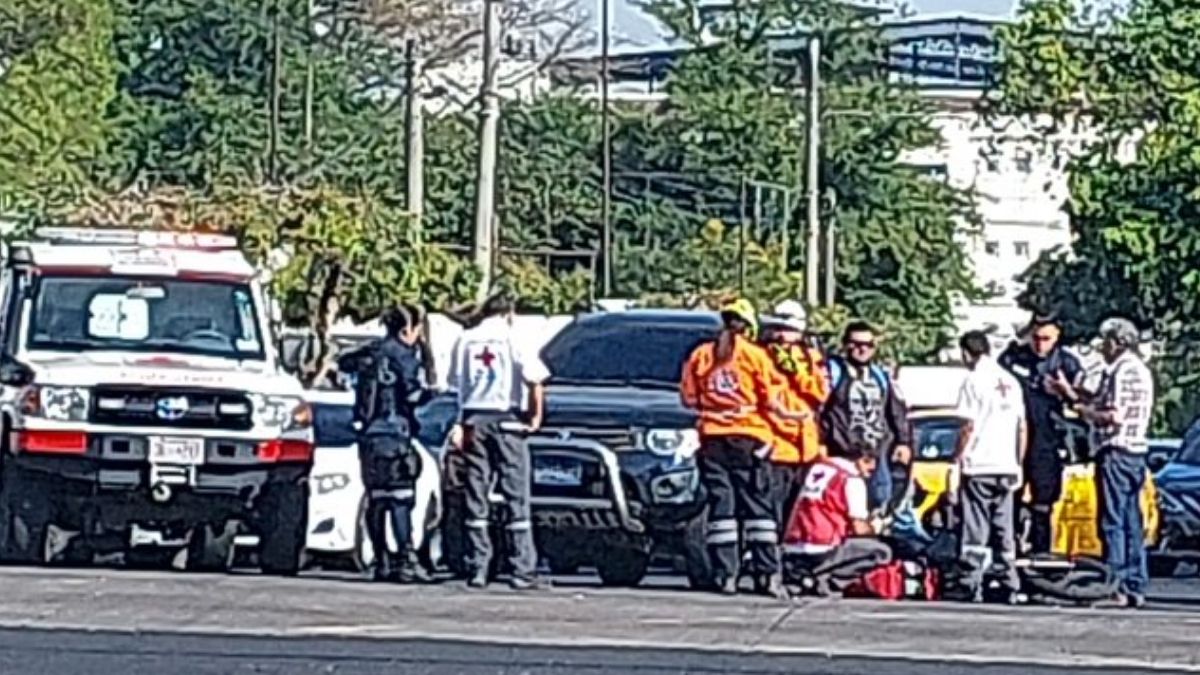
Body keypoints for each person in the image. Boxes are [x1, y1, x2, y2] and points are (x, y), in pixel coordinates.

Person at [680, 298, 788, 598]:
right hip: (750, 438)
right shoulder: (756, 356)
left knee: (722, 508)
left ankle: (726, 574)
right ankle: (767, 575)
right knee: (758, 508)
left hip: (712, 439)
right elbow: (773, 400)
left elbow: (689, 399)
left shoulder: (702, 355)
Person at [448, 291, 550, 591]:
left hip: (474, 419)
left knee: (476, 494)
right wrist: (535, 418)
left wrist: (461, 423)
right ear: (509, 313)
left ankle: (478, 567)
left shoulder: (465, 339)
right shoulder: (513, 338)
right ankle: (522, 569)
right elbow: (535, 380)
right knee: (516, 495)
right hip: (507, 420)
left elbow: (456, 384)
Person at [1049, 317, 1155, 609]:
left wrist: (1083, 412)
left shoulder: (1123, 371)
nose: (1102, 347)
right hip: (1135, 453)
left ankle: (1115, 584)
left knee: (1113, 521)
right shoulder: (1139, 370)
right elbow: (1099, 395)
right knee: (1132, 520)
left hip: (1117, 450)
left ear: (1116, 342)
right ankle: (1135, 583)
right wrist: (1070, 392)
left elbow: (1113, 414)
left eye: (1105, 340)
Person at [337, 305, 432, 583]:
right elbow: (412, 395)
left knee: (376, 500)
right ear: (408, 329)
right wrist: (431, 394)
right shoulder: (405, 356)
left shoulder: (369, 353)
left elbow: (343, 363)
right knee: (401, 499)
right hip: (395, 434)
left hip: (368, 436)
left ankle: (381, 561)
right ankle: (406, 560)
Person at [998, 313, 1084, 555]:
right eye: (1035, 338)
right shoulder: (1014, 357)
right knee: (1010, 496)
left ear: (1057, 336)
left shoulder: (1066, 363)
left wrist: (1063, 390)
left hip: (1047, 439)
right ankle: (1008, 548)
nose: (1040, 344)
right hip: (1014, 438)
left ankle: (1041, 548)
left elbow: (1081, 400)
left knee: (1043, 499)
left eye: (1046, 339)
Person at [952, 331, 1026, 604]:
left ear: (966, 353)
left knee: (976, 527)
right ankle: (1010, 581)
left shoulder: (973, 381)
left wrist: (957, 458)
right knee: (1004, 526)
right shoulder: (1010, 380)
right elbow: (1022, 427)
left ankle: (971, 581)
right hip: (1007, 465)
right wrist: (1018, 463)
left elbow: (967, 427)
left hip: (979, 464)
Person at [821, 321, 912, 511]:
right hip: (842, 452)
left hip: (877, 452)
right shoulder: (832, 372)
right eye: (857, 344)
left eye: (868, 345)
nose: (862, 349)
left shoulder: (880, 376)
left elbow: (896, 410)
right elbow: (819, 410)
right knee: (842, 501)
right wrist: (820, 442)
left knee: (878, 500)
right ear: (846, 344)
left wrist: (903, 442)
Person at [781, 440, 891, 596]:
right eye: (871, 467)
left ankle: (804, 574)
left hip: (793, 545)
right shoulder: (851, 480)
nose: (871, 472)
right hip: (823, 547)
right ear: (863, 459)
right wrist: (877, 527)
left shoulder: (817, 468)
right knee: (882, 552)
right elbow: (859, 528)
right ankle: (828, 579)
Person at [761, 300, 831, 532]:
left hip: (805, 449)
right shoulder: (761, 356)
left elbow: (820, 393)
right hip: (776, 446)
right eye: (778, 329)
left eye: (788, 330)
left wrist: (798, 373)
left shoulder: (811, 358)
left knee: (799, 510)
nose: (782, 335)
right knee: (772, 509)